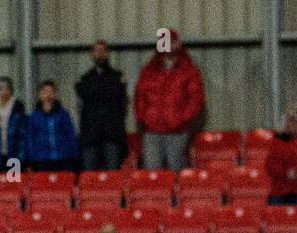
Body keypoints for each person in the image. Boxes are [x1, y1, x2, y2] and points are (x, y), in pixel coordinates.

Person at [134, 29, 205, 170]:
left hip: (177, 131)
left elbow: (196, 99)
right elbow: (139, 97)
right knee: (152, 172)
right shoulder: (148, 71)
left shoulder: (189, 70)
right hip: (152, 131)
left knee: (176, 168)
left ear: (177, 44)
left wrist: (181, 119)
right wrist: (145, 118)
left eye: (171, 41)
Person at [76, 40, 128, 171]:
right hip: (90, 136)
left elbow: (120, 98)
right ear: (91, 54)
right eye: (97, 51)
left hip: (112, 135)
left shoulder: (117, 76)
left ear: (108, 54)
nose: (100, 54)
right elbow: (83, 93)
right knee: (89, 179)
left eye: (103, 50)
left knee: (113, 178)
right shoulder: (85, 78)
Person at [23, 80, 79, 173]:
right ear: (40, 95)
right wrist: (31, 160)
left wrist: (73, 157)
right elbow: (30, 140)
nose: (48, 95)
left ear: (56, 94)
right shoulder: (33, 117)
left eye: (51, 91)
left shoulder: (64, 115)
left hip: (62, 160)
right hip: (41, 161)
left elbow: (71, 136)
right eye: (45, 92)